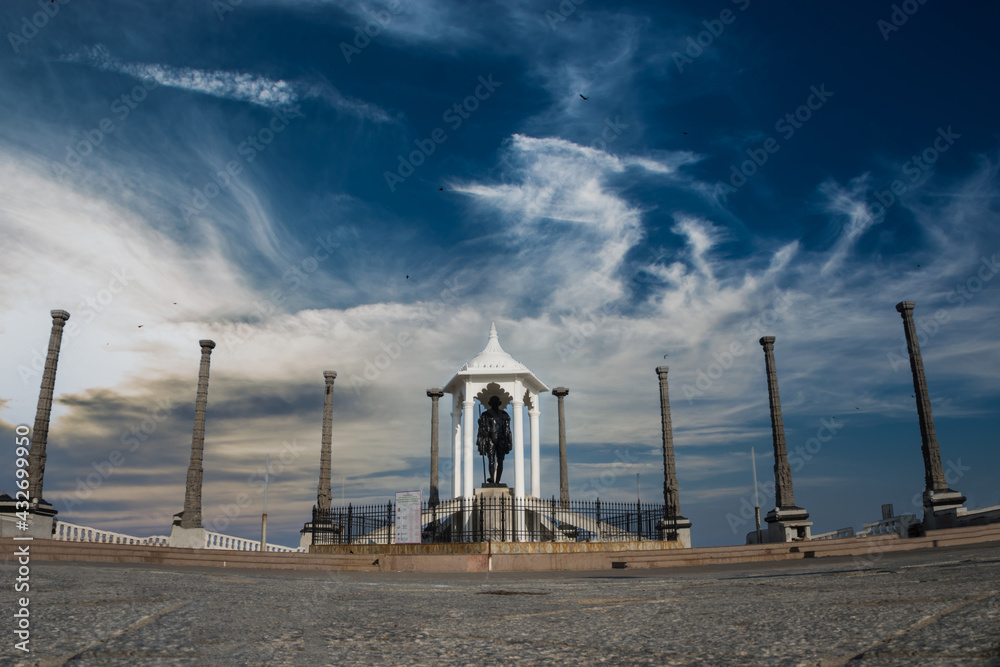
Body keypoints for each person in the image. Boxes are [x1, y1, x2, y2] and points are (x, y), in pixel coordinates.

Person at [476, 396, 512, 484]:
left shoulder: (504, 415)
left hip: (501, 440)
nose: (495, 404)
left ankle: (497, 480)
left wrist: (509, 442)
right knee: (491, 459)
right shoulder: (485, 415)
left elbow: (507, 430)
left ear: (499, 404)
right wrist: (481, 426)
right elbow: (482, 430)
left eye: (496, 402)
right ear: (490, 404)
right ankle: (492, 478)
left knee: (500, 460)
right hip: (490, 440)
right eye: (493, 402)